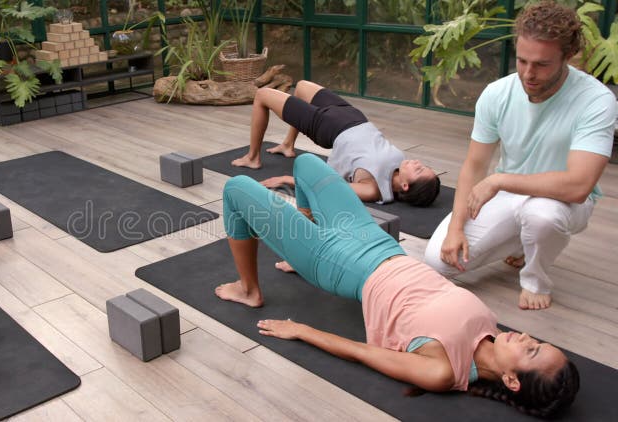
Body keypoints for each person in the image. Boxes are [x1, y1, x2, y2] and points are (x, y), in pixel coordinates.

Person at [216, 154, 579, 418]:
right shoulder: (492, 331)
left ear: (511, 381)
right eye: (538, 342)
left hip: (340, 264)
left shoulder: (442, 372)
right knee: (307, 164)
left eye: (532, 352)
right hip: (377, 242)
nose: (529, 338)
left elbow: (365, 354)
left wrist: (300, 330)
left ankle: (249, 289)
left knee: (236, 189)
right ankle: (299, 249)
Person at [423, 1, 617, 310]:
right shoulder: (497, 93)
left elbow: (579, 186)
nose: (528, 73)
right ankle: (522, 241)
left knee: (542, 215)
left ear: (567, 56)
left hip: (564, 202)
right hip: (509, 194)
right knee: (438, 262)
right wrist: (456, 228)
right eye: (522, 60)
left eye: (541, 64)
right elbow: (474, 167)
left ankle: (535, 278)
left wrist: (499, 180)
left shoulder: (596, 101)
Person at [230, 80, 441, 207]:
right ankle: (287, 144)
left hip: (329, 127)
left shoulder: (372, 190)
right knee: (302, 87)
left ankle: (253, 158)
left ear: (405, 186)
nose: (417, 162)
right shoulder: (398, 166)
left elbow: (330, 186)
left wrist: (287, 179)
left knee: (262, 95)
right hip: (353, 115)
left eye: (419, 169)